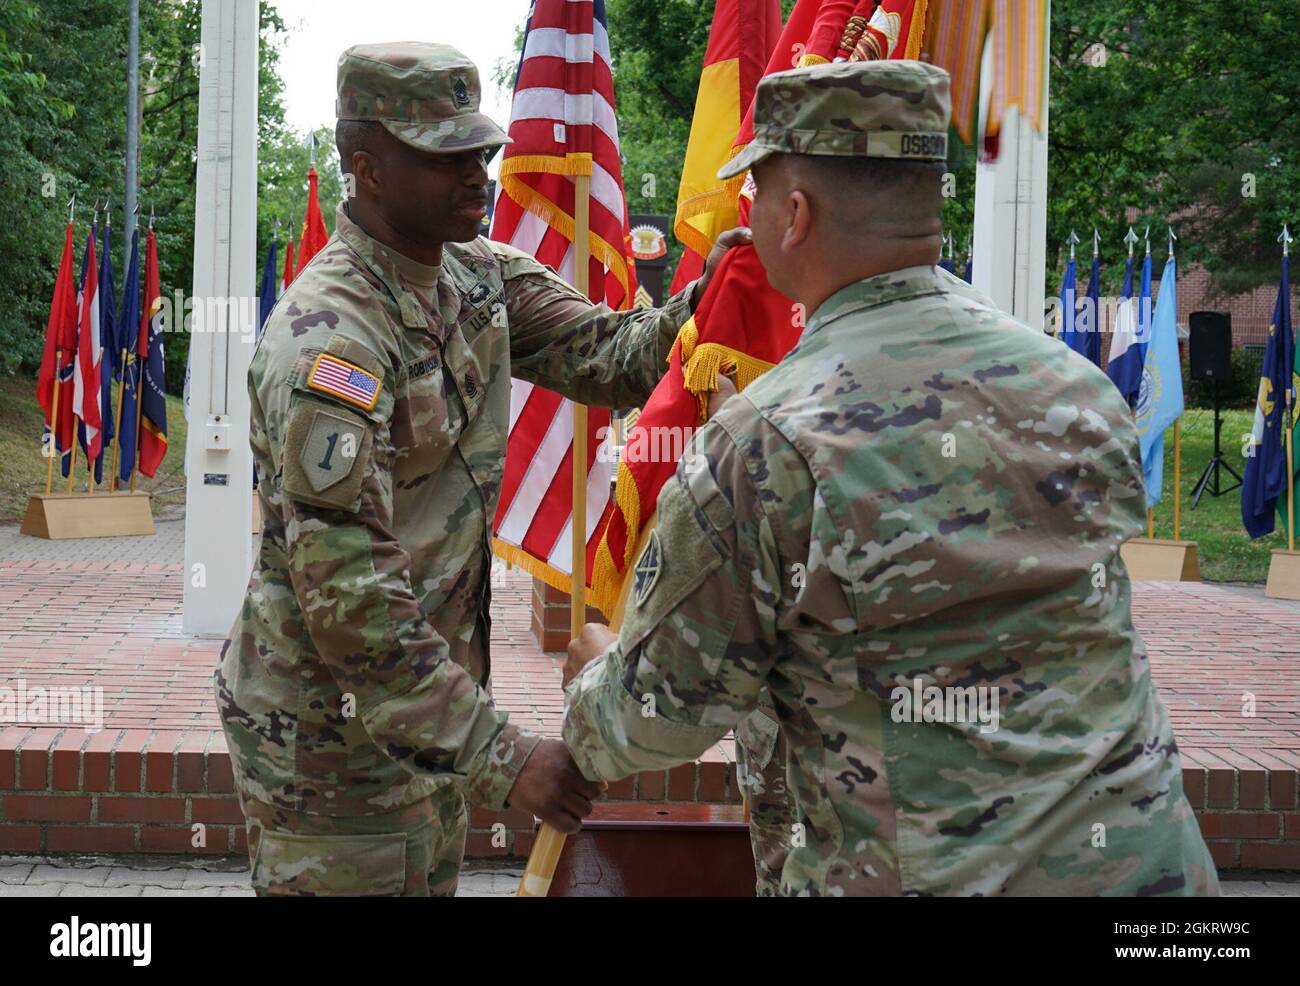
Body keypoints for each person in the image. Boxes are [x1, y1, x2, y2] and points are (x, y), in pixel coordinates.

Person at [562, 59, 1219, 896]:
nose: (748, 216)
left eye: (755, 192)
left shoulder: (766, 443)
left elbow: (650, 720)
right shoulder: (1078, 389)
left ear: (793, 214)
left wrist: (591, 681)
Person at [215, 41, 745, 897]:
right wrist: (506, 756)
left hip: (432, 722)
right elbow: (350, 602)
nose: (479, 175)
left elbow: (610, 353)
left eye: (483, 153)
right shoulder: (332, 343)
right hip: (332, 749)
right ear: (366, 168)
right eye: (446, 157)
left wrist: (713, 298)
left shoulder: (476, 276)